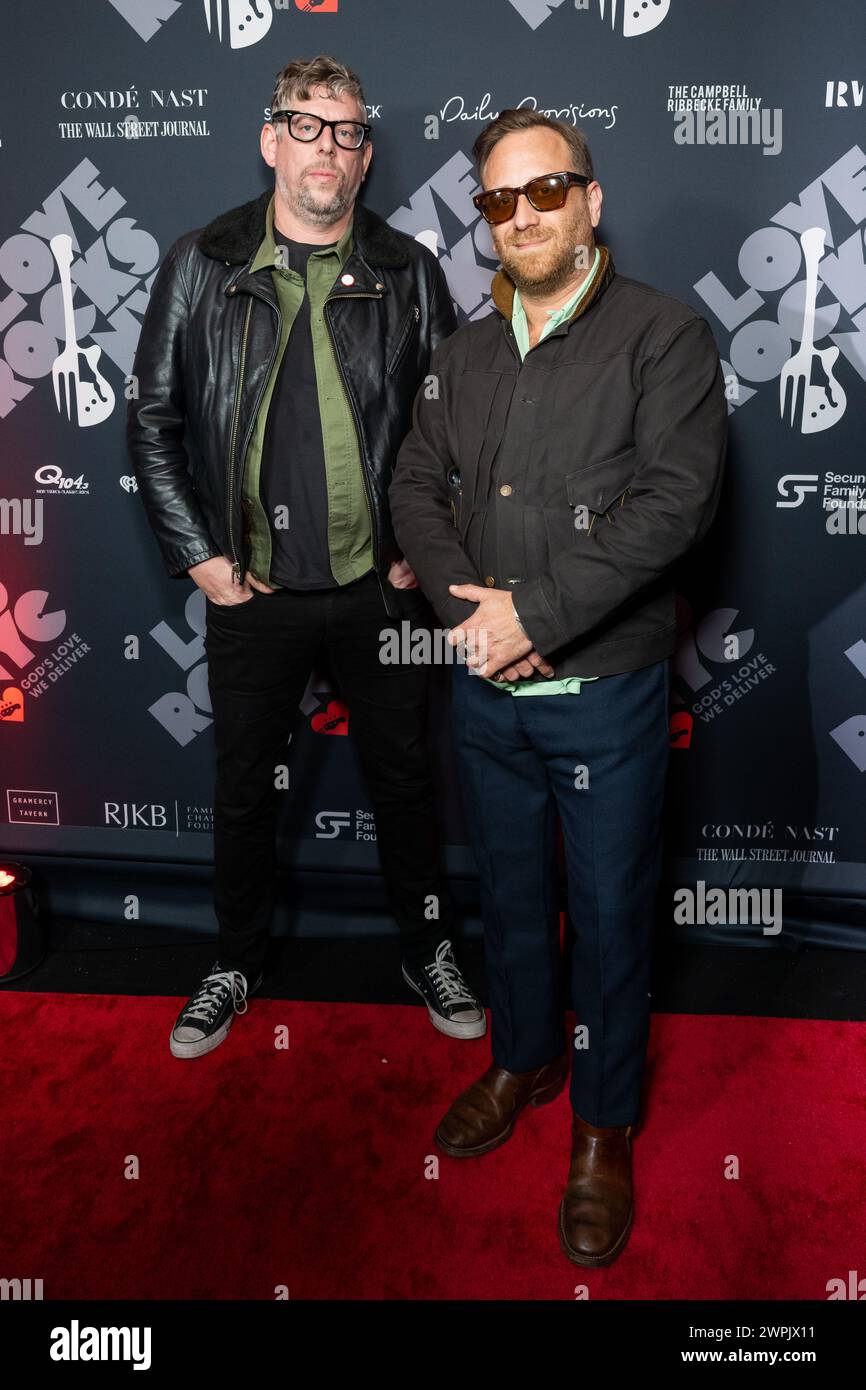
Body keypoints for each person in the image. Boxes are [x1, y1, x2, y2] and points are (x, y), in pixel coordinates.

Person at [389, 108, 728, 1266]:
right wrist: (471, 616)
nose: (521, 215)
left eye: (546, 191)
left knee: (613, 916)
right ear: (482, 219)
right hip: (484, 693)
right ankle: (520, 1055)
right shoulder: (461, 353)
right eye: (497, 200)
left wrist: (531, 614)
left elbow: (670, 508)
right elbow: (413, 490)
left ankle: (601, 1121)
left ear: (590, 201)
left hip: (605, 693)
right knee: (512, 904)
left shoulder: (664, 337)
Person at [127, 53, 484, 1060]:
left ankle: (425, 945)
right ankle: (233, 959)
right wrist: (197, 554)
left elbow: (447, 425)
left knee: (407, 782)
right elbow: (151, 420)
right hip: (251, 592)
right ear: (269, 137)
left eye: (348, 131)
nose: (329, 148)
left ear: (365, 156)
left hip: (384, 591)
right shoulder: (202, 261)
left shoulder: (407, 269)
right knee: (244, 785)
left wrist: (427, 542)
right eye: (308, 125)